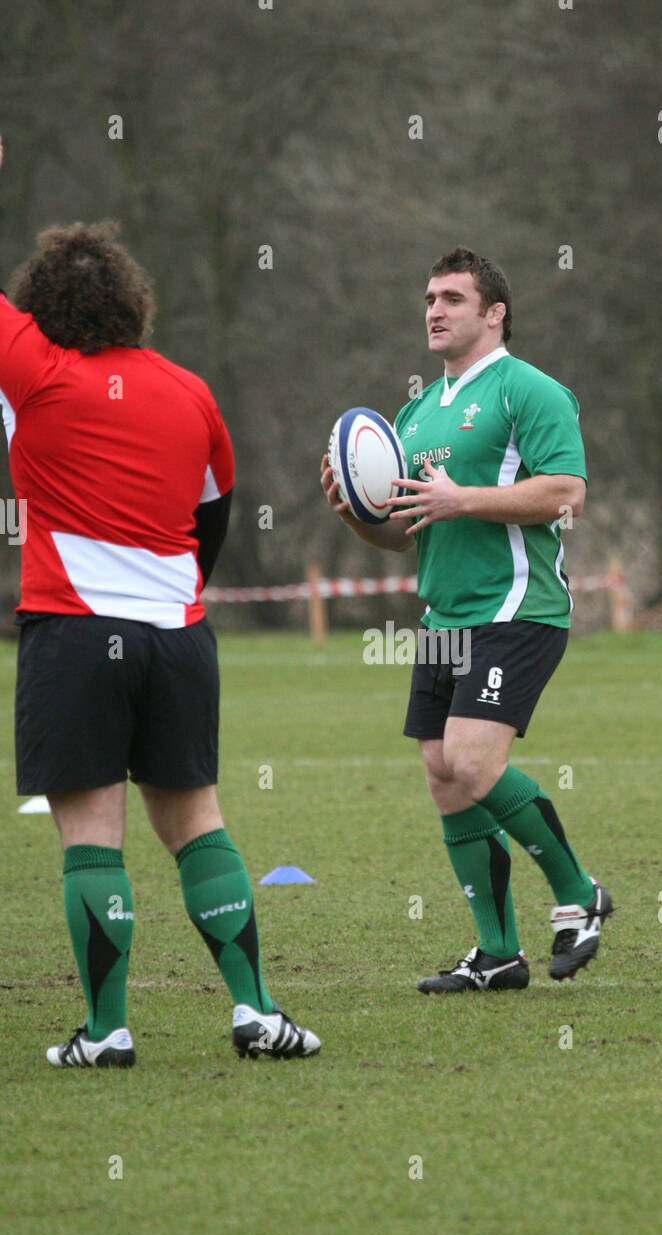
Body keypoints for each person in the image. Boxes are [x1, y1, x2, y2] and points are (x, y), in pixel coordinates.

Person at [0, 139, 319, 1065]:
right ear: (133, 301)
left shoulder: (36, 369)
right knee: (197, 824)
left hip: (73, 633)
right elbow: (212, 516)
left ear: (43, 307)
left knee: (91, 836)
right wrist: (174, 597)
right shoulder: (191, 391)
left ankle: (106, 1032)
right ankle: (258, 1012)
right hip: (180, 639)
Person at [321, 245, 613, 993]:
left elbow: (564, 493)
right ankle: (498, 953)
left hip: (516, 606)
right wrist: (357, 516)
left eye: (451, 298)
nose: (433, 310)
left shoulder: (530, 391)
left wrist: (465, 499)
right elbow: (404, 528)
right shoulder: (415, 412)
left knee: (474, 762)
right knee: (443, 775)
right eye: (428, 298)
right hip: (444, 612)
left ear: (494, 312)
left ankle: (580, 896)